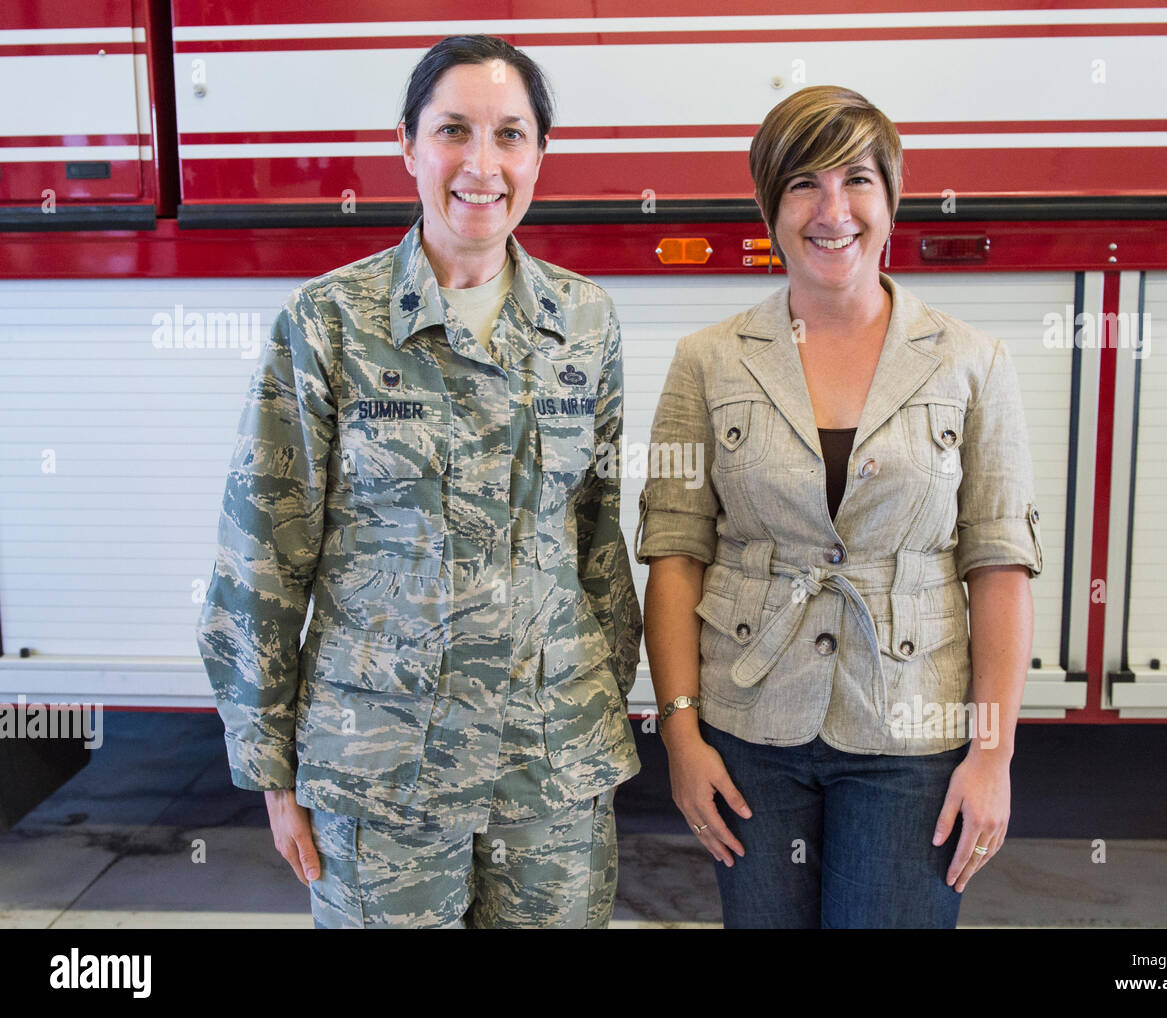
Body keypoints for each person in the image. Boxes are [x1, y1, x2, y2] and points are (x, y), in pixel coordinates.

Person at [196, 34, 641, 928]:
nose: (483, 164)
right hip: (378, 774)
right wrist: (274, 772)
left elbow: (598, 546)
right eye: (454, 131)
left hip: (550, 772)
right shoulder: (327, 323)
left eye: (511, 135)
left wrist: (600, 718)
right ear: (407, 146)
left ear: (541, 156)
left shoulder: (586, 322)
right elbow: (263, 561)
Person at [635, 85, 1043, 929]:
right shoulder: (707, 362)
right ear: (768, 206)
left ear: (892, 200)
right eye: (802, 185)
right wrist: (680, 739)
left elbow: (998, 566)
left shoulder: (972, 362)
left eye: (856, 180)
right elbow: (676, 556)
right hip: (750, 731)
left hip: (913, 734)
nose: (833, 210)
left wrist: (993, 755)